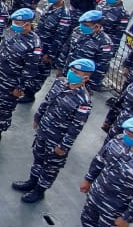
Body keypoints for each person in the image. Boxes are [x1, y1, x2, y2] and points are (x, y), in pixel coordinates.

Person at [13, 58, 95, 203]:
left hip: (58, 138)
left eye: (76, 72)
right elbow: (47, 101)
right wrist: (38, 117)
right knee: (38, 157)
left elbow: (76, 127)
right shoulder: (60, 83)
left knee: (50, 166)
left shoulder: (84, 101)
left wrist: (64, 146)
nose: (71, 73)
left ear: (85, 78)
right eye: (71, 70)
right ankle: (32, 181)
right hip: (44, 129)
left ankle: (40, 190)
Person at [0, 9, 42, 144]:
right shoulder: (12, 31)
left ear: (28, 24)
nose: (15, 24)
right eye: (14, 22)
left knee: (3, 107)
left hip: (11, 81)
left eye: (18, 23)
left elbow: (30, 69)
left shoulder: (34, 44)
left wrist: (20, 87)